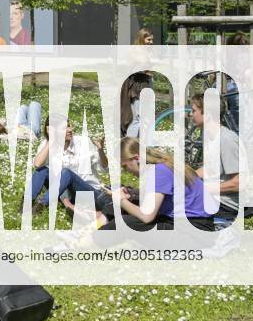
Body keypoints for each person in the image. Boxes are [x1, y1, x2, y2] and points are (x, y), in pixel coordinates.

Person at [99, 137, 215, 231]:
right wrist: (133, 194)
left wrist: (119, 199)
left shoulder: (159, 172)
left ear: (137, 158)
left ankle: (88, 241)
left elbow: (146, 217)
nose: (125, 170)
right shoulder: (160, 167)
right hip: (186, 222)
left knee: (126, 222)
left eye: (125, 166)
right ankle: (92, 229)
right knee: (124, 205)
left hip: (194, 229)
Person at [22, 113, 110, 217]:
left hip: (89, 192)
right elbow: (37, 165)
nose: (69, 130)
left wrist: (100, 150)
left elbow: (105, 168)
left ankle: (42, 204)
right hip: (68, 193)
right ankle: (26, 204)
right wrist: (51, 141)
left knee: (66, 172)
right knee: (43, 170)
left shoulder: (83, 142)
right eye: (64, 128)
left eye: (69, 125)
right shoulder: (47, 145)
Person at [191, 93, 241, 226]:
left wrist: (203, 189)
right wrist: (187, 176)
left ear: (206, 114)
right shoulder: (209, 136)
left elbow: (238, 183)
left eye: (194, 110)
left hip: (225, 206)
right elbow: (210, 168)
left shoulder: (226, 139)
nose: (191, 114)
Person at [120, 72, 153, 137]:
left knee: (141, 119)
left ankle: (134, 143)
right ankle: (130, 144)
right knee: (136, 119)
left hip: (144, 84)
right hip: (138, 85)